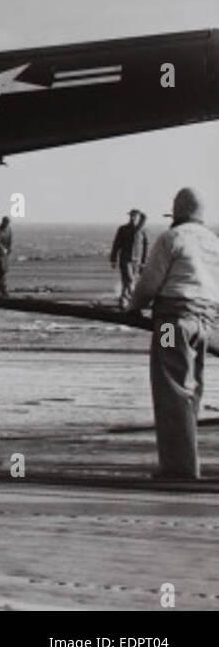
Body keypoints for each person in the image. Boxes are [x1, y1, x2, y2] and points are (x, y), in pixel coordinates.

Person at [130, 188, 219, 480]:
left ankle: (179, 468)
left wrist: (134, 308)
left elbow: (149, 285)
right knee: (192, 390)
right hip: (204, 323)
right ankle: (185, 461)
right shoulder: (213, 243)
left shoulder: (172, 238)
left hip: (171, 323)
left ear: (177, 214)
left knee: (171, 390)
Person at [110, 208, 149, 310]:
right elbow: (116, 244)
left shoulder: (141, 230)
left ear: (138, 217)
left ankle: (123, 300)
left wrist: (143, 262)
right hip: (125, 259)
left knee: (126, 282)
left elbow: (145, 246)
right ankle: (132, 300)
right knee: (130, 280)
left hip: (137, 260)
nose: (133, 218)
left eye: (135, 216)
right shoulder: (123, 229)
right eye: (132, 216)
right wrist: (113, 259)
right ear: (129, 217)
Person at [0, 216, 12, 295]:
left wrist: (9, 248)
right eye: (6, 222)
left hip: (6, 252)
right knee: (1, 269)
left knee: (5, 270)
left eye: (8, 223)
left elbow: (10, 240)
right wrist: (2, 249)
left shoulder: (9, 230)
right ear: (3, 222)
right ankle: (2, 286)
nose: (7, 224)